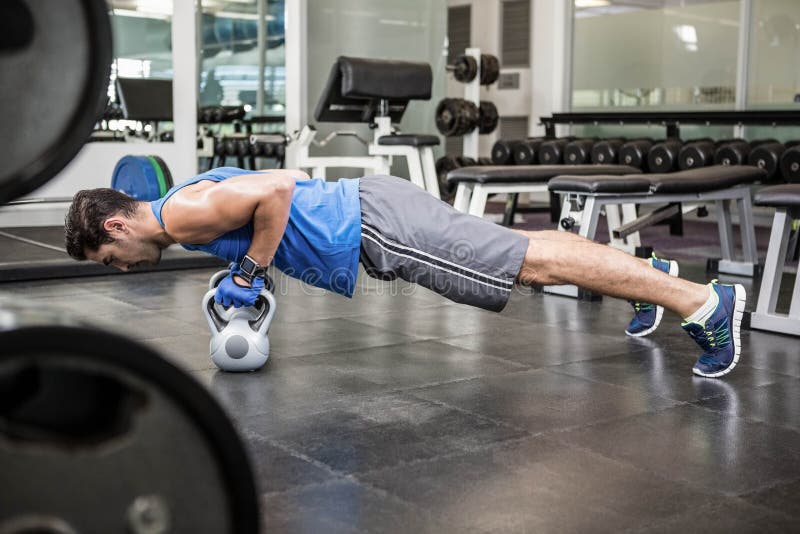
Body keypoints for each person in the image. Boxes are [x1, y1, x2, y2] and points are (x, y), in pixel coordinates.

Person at [64, 168, 745, 378]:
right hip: (372, 210)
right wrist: (246, 274)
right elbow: (262, 214)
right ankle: (644, 273)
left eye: (108, 258)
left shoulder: (180, 215)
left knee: (526, 263)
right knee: (517, 248)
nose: (119, 268)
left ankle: (701, 301)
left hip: (377, 224)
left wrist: (251, 266)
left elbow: (276, 191)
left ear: (116, 226)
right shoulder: (183, 212)